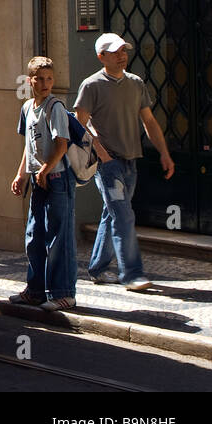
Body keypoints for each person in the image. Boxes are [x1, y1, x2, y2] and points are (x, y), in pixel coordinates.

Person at [74, 32, 174, 292]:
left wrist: (164, 152)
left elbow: (149, 121)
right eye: (115, 51)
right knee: (124, 215)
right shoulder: (91, 85)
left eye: (123, 51)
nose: (121, 55)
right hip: (108, 165)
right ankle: (132, 273)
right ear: (101, 56)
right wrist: (101, 151)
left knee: (113, 214)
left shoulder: (136, 83)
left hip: (131, 161)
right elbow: (79, 125)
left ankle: (96, 268)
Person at [10, 56, 76, 311]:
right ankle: (35, 290)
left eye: (50, 78)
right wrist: (21, 175)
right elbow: (29, 147)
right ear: (31, 81)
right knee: (34, 237)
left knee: (59, 237)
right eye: (40, 79)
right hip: (39, 179)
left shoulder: (55, 107)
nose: (46, 83)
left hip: (58, 179)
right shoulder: (27, 108)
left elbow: (62, 144)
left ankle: (64, 293)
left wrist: (46, 170)